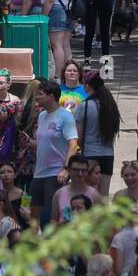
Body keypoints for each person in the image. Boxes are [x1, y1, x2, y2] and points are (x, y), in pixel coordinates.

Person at [29, 79, 80, 231]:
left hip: (55, 174)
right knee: (32, 218)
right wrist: (31, 143)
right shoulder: (41, 116)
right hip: (38, 173)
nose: (36, 97)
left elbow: (73, 143)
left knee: (49, 218)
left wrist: (66, 169)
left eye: (40, 94)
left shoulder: (65, 116)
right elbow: (44, 143)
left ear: (51, 96)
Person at [40, 0, 77, 77]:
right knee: (66, 45)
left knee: (57, 46)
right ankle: (69, 73)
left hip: (57, 12)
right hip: (70, 11)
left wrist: (43, 17)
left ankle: (58, 75)